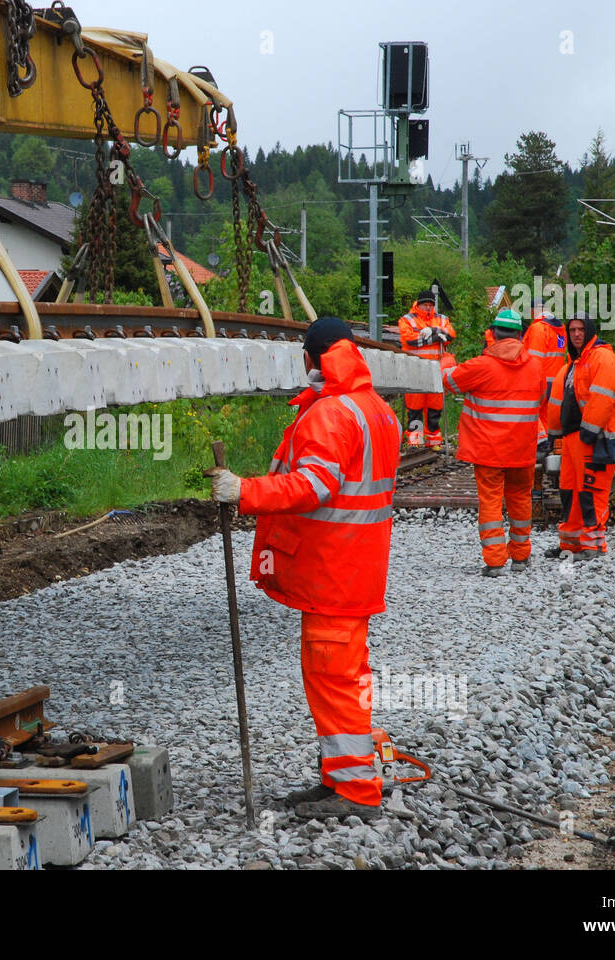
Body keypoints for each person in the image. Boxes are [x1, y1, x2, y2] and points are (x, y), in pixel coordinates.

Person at [206, 318, 400, 821]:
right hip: (356, 566)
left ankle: (356, 792)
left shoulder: (331, 414)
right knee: (340, 675)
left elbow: (312, 486)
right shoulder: (377, 409)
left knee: (334, 677)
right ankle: (340, 777)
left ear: (311, 359)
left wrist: (243, 491)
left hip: (333, 570)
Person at [442, 310, 545, 576]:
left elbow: (449, 381)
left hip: (489, 451)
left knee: (490, 501)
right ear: (520, 335)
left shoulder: (481, 366)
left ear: (493, 334)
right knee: (521, 501)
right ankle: (521, 557)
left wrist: (447, 359)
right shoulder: (535, 366)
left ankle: (495, 561)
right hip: (523, 449)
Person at [546, 317, 615, 560]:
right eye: (572, 330)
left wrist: (589, 431)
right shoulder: (575, 363)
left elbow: (603, 397)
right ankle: (570, 544)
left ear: (590, 331)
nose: (576, 334)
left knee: (590, 490)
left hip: (596, 437)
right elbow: (560, 401)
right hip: (573, 438)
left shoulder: (601, 358)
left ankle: (593, 546)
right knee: (570, 490)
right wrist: (554, 435)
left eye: (580, 330)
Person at [398, 290, 456, 450]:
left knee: (434, 407)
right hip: (414, 370)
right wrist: (437, 337)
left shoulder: (442, 319)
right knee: (414, 407)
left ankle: (434, 440)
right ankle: (415, 440)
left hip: (435, 371)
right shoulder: (407, 320)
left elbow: (451, 335)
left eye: (431, 305)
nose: (428, 308)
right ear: (418, 304)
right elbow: (410, 341)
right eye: (425, 305)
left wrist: (434, 331)